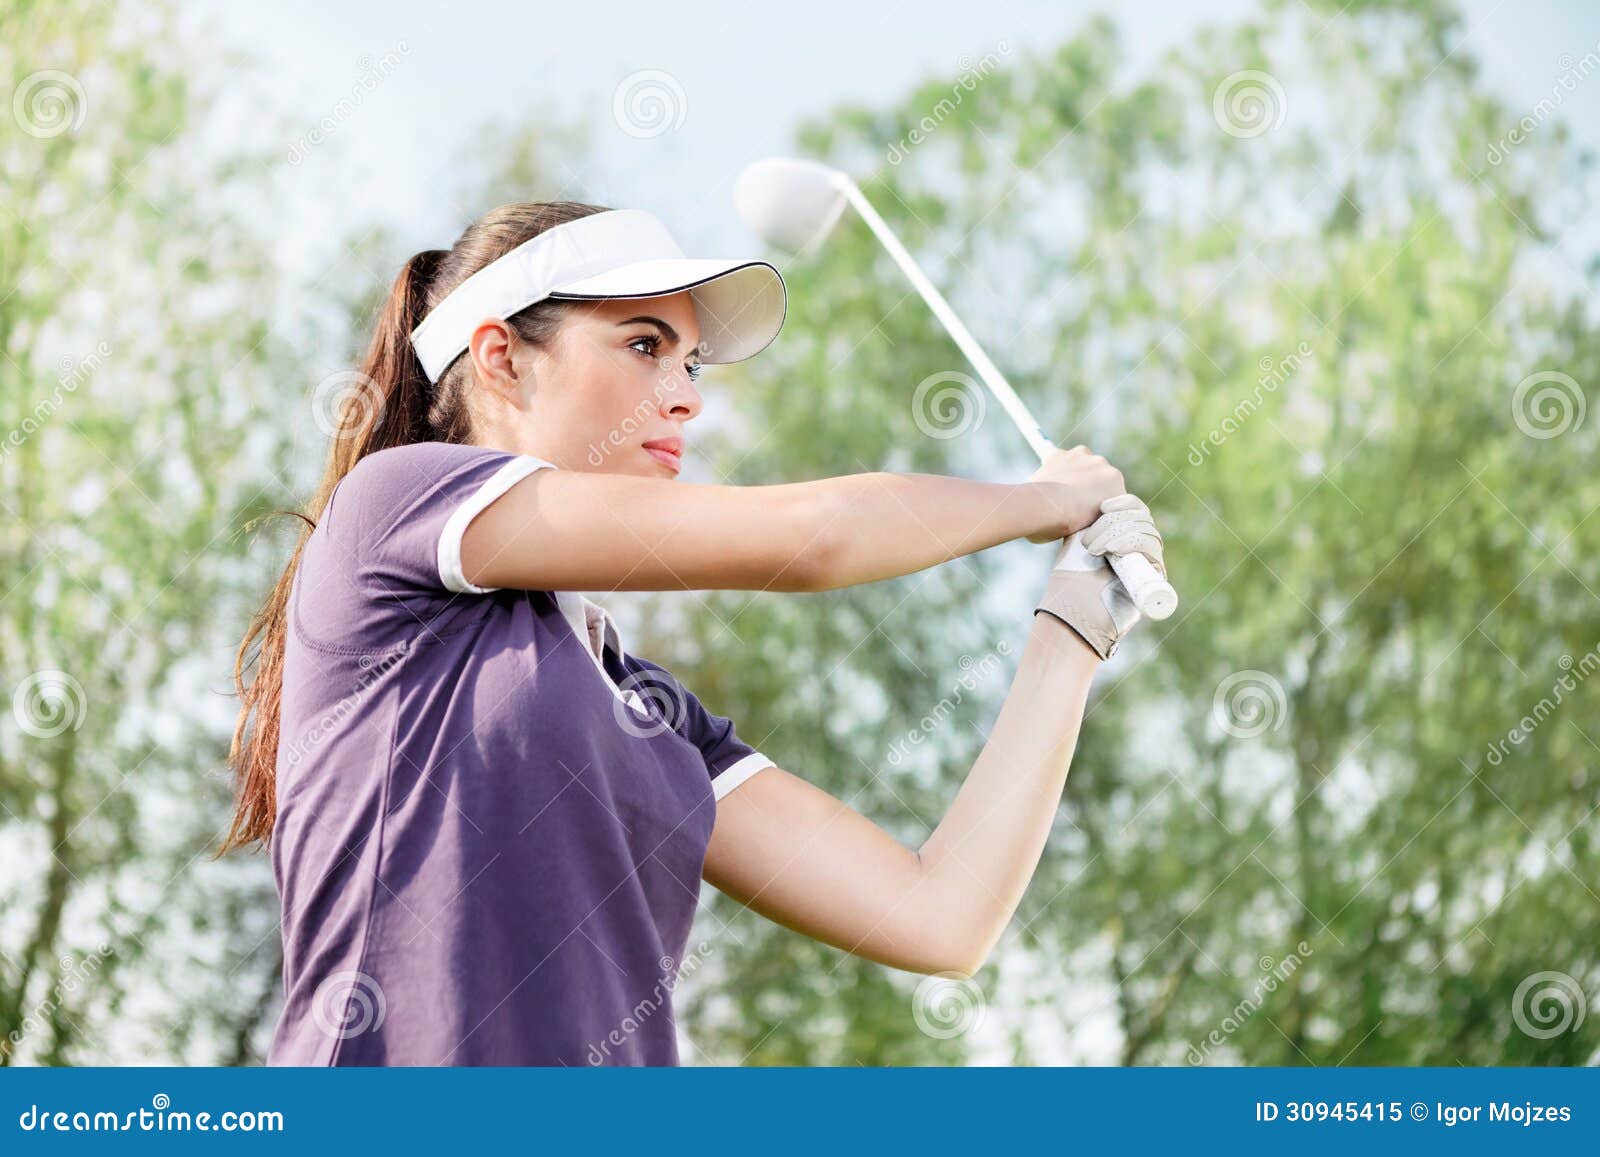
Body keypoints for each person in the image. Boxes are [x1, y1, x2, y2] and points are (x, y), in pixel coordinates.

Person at [222, 201, 1168, 1065]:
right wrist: (1043, 499)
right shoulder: (391, 510)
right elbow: (815, 541)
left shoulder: (645, 708)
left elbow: (939, 916)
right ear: (502, 355)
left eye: (689, 364)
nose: (685, 396)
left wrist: (1075, 620)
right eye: (643, 344)